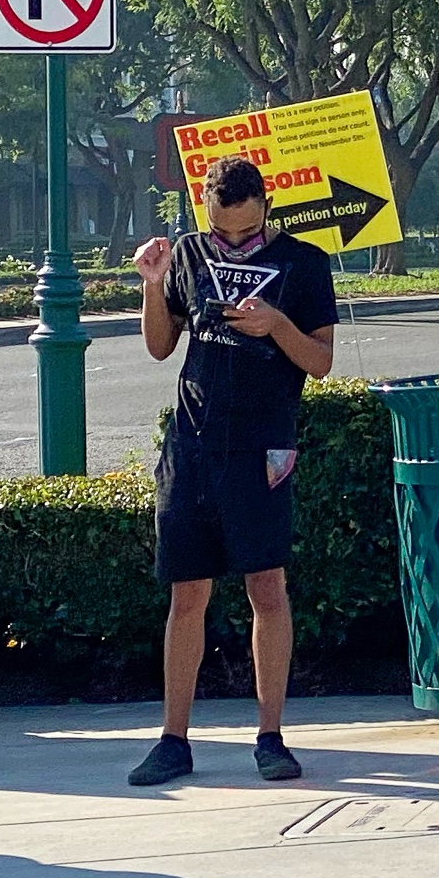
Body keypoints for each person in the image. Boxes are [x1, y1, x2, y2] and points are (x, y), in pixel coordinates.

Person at [125, 155, 337, 788]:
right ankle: (173, 739)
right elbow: (161, 346)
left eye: (245, 234)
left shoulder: (303, 262)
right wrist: (152, 283)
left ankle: (270, 735)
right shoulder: (190, 253)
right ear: (206, 212)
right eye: (223, 232)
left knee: (265, 590)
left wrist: (275, 324)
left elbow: (322, 361)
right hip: (191, 445)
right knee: (187, 593)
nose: (234, 244)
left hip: (264, 445)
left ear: (266, 209)